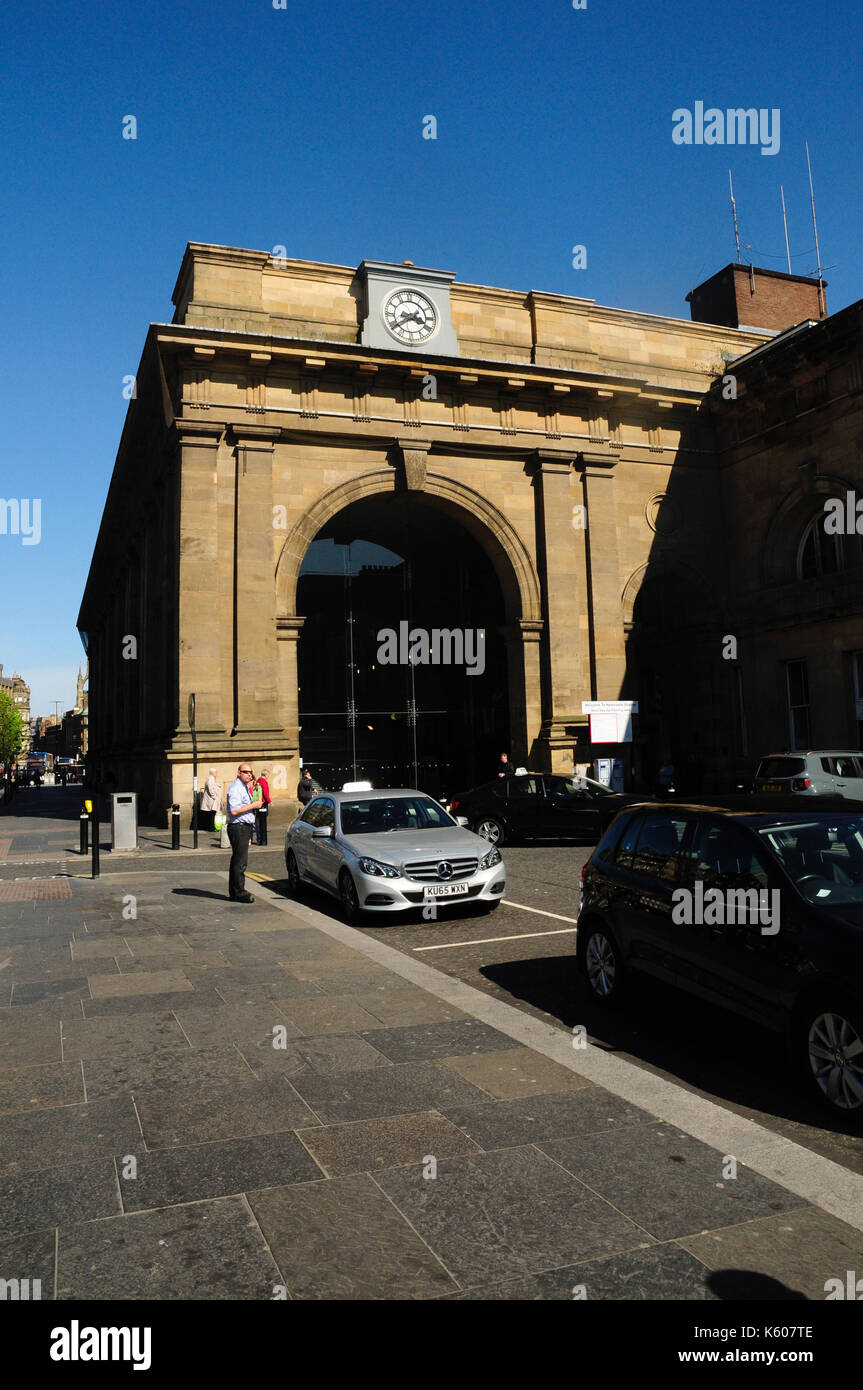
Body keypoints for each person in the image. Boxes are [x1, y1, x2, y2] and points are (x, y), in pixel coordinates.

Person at [225, 763, 262, 903]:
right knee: (240, 862)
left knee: (237, 861)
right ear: (238, 772)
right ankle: (239, 892)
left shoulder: (243, 787)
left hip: (243, 827)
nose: (249, 774)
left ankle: (235, 892)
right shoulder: (235, 788)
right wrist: (254, 805)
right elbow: (233, 811)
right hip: (239, 827)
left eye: (250, 772)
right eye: (245, 771)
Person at [199, 767, 222, 832]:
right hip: (212, 801)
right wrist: (215, 797)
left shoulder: (211, 779)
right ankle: (211, 828)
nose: (217, 774)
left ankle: (211, 827)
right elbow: (211, 788)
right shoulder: (211, 779)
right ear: (213, 773)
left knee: (211, 814)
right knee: (212, 814)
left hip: (212, 800)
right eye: (216, 772)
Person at [254, 769, 271, 845]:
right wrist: (270, 801)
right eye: (268, 775)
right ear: (266, 775)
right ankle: (263, 841)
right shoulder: (264, 782)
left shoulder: (257, 781)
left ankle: (259, 839)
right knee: (263, 823)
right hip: (263, 803)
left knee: (257, 822)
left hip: (257, 803)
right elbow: (265, 793)